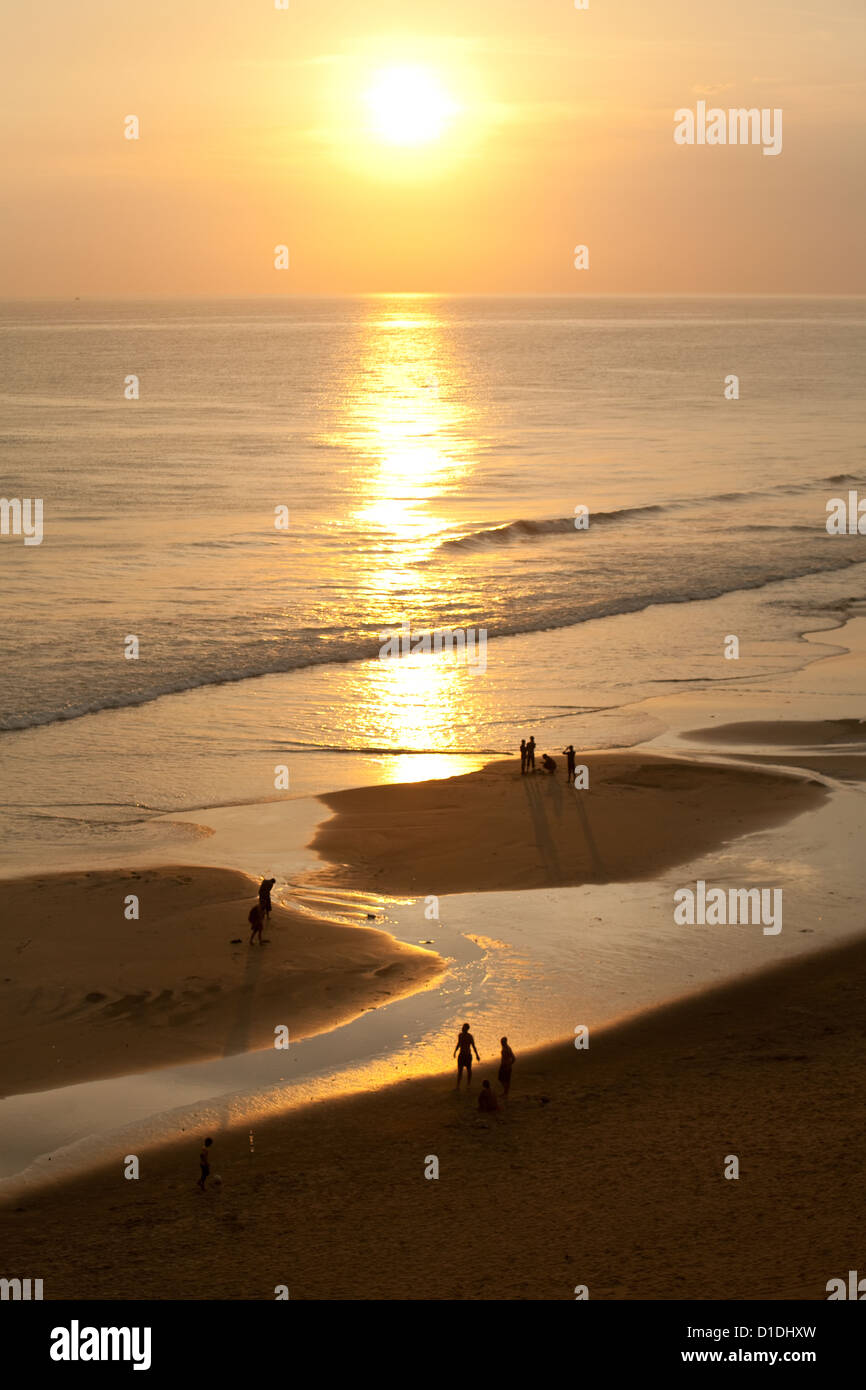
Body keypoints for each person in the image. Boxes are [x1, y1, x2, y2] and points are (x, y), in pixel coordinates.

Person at [453, 1022, 480, 1088]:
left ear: (466, 1029)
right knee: (460, 1071)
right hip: (461, 1055)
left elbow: (473, 1046)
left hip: (467, 1055)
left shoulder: (470, 1036)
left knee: (469, 1070)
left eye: (464, 1028)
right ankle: (458, 1085)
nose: (462, 1029)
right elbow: (458, 1044)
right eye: (462, 1027)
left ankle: (468, 1084)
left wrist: (477, 1055)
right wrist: (455, 1052)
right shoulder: (460, 1035)